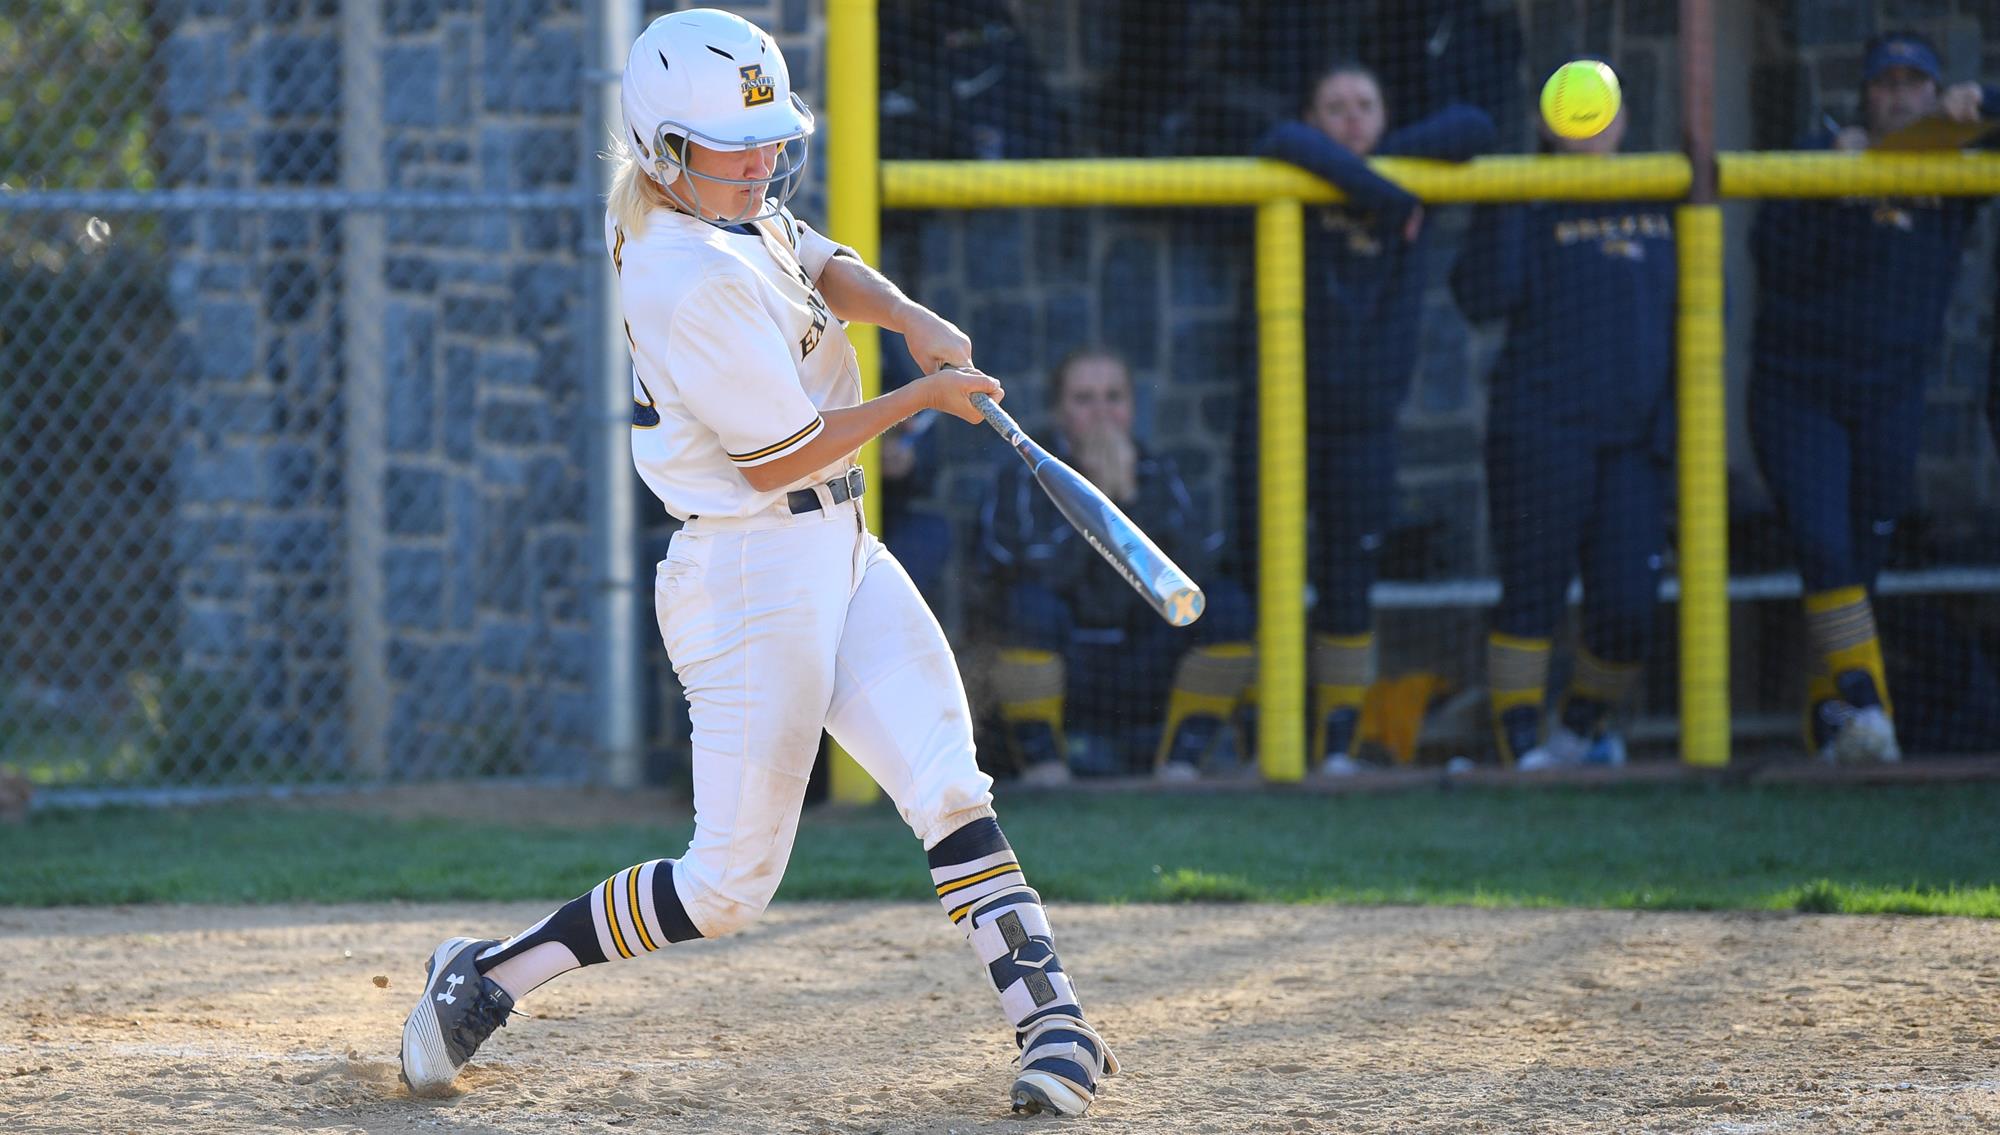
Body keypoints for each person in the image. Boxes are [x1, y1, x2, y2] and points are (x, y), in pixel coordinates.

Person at [396, 11, 1116, 1118]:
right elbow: (784, 451)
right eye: (731, 148)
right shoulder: (683, 273)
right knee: (726, 886)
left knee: (946, 780)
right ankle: (492, 972)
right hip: (746, 577)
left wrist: (911, 315)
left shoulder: (728, 208)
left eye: (770, 138)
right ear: (660, 151)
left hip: (837, 547)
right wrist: (920, 395)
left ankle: (1051, 1016)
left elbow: (812, 253)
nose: (761, 162)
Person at [1748, 31, 1997, 763]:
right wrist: (1833, 182)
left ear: (1934, 93)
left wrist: (1981, 102)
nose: (1898, 97)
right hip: (1799, 393)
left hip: (1891, 398)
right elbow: (1772, 257)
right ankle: (1870, 711)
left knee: (1859, 564)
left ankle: (1833, 725)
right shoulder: (1818, 154)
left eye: (1914, 84)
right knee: (1824, 547)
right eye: (1884, 84)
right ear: (1863, 94)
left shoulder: (1956, 167)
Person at [1240, 61, 1494, 775]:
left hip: (1366, 423)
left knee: (1350, 579)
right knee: (1262, 570)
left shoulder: (1413, 160)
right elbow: (1280, 136)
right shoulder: (1299, 166)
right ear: (1315, 115)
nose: (1350, 117)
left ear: (1385, 115)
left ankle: (1338, 746)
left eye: (1365, 104)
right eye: (1336, 106)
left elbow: (1477, 125)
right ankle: (1263, 737)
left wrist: (1387, 172)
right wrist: (1390, 196)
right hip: (1280, 417)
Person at [1451, 91, 1676, 770]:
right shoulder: (1526, 192)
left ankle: (1579, 730)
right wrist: (1508, 202)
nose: (1588, 125)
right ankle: (1518, 748)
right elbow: (1481, 298)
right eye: (1571, 112)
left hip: (1635, 443)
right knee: (1531, 592)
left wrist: (1672, 427)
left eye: (1602, 110)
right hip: (1540, 430)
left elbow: (1695, 315)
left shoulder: (1659, 191)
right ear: (1546, 123)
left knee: (1629, 608)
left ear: (1625, 120)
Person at [979, 348, 1253, 783]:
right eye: (1084, 399)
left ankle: (1182, 762)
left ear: (1132, 408)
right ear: (1058, 411)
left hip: (1143, 656)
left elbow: (1196, 568)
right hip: (1066, 659)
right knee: (1024, 607)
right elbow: (1014, 572)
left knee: (1228, 607)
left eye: (1114, 397)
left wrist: (1129, 502)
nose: (1102, 413)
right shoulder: (1023, 474)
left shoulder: (1157, 471)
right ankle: (1043, 767)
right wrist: (1091, 504)